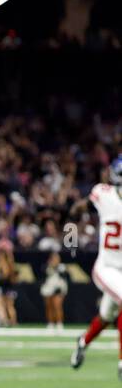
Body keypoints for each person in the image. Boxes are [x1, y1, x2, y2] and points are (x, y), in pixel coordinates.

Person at [71, 156, 122, 374]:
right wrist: (76, 215)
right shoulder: (104, 194)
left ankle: (82, 342)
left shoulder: (104, 194)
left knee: (107, 316)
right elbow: (80, 206)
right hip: (107, 267)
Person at [41, 251, 67, 331]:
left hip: (58, 287)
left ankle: (59, 323)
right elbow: (43, 273)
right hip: (48, 287)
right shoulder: (47, 266)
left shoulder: (62, 267)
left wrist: (55, 266)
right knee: (49, 306)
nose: (56, 260)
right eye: (54, 258)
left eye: (57, 258)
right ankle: (50, 323)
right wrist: (50, 265)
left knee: (57, 306)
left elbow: (64, 276)